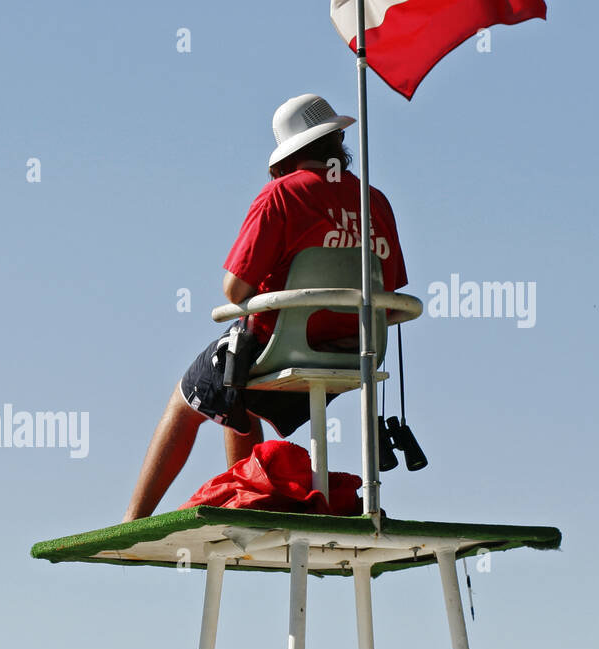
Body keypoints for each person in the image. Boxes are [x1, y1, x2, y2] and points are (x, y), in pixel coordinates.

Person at [121, 94, 409, 522]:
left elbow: (235, 290)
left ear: (286, 158)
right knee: (234, 398)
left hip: (280, 348)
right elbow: (394, 291)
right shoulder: (376, 202)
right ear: (338, 143)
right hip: (355, 354)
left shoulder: (281, 196)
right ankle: (250, 492)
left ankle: (133, 518)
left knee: (187, 400)